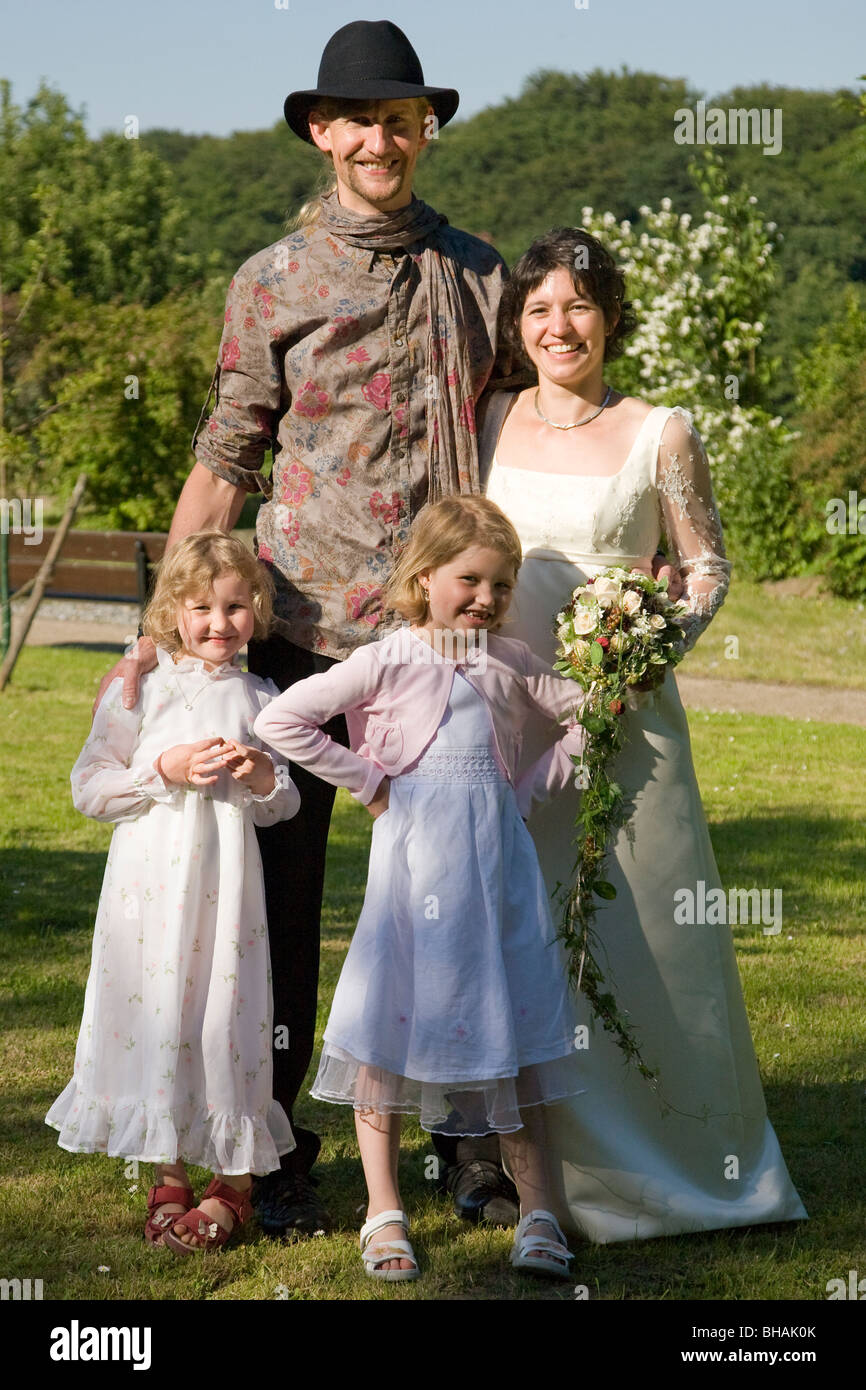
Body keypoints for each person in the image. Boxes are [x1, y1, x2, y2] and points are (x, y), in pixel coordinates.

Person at [93, 20, 518, 1235]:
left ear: (421, 130)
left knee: (448, 896)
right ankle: (264, 1147)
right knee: (265, 910)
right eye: (357, 120)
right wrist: (165, 620)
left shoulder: (479, 273)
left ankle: (467, 1145)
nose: (379, 138)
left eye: (400, 118)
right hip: (294, 643)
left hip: (438, 648)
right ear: (320, 133)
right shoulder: (270, 279)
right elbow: (227, 459)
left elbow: (504, 457)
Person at [479, 227, 807, 1241]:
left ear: (608, 315)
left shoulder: (659, 430)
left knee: (645, 933)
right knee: (522, 934)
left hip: (624, 714)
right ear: (517, 327)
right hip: (508, 718)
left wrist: (645, 649)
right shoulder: (486, 417)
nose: (556, 325)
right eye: (537, 309)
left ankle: (687, 1167)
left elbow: (705, 564)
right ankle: (532, 1175)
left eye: (575, 305)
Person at [254, 496, 588, 1280]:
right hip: (413, 872)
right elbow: (284, 722)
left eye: (502, 586)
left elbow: (586, 714)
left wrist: (530, 790)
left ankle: (540, 1214)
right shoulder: (387, 657)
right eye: (470, 579)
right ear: (425, 575)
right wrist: (369, 780)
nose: (486, 599)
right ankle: (384, 1209)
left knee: (518, 1030)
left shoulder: (509, 660)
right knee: (387, 1030)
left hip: (497, 873)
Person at [47, 533, 301, 1255]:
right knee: (163, 1012)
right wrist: (165, 765)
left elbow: (284, 804)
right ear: (172, 611)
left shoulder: (262, 696)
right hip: (148, 894)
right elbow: (90, 787)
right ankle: (168, 1169)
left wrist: (258, 777)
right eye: (201, 608)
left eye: (236, 606)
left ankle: (234, 1183)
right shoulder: (141, 688)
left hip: (226, 900)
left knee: (224, 1013)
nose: (220, 623)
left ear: (257, 608)